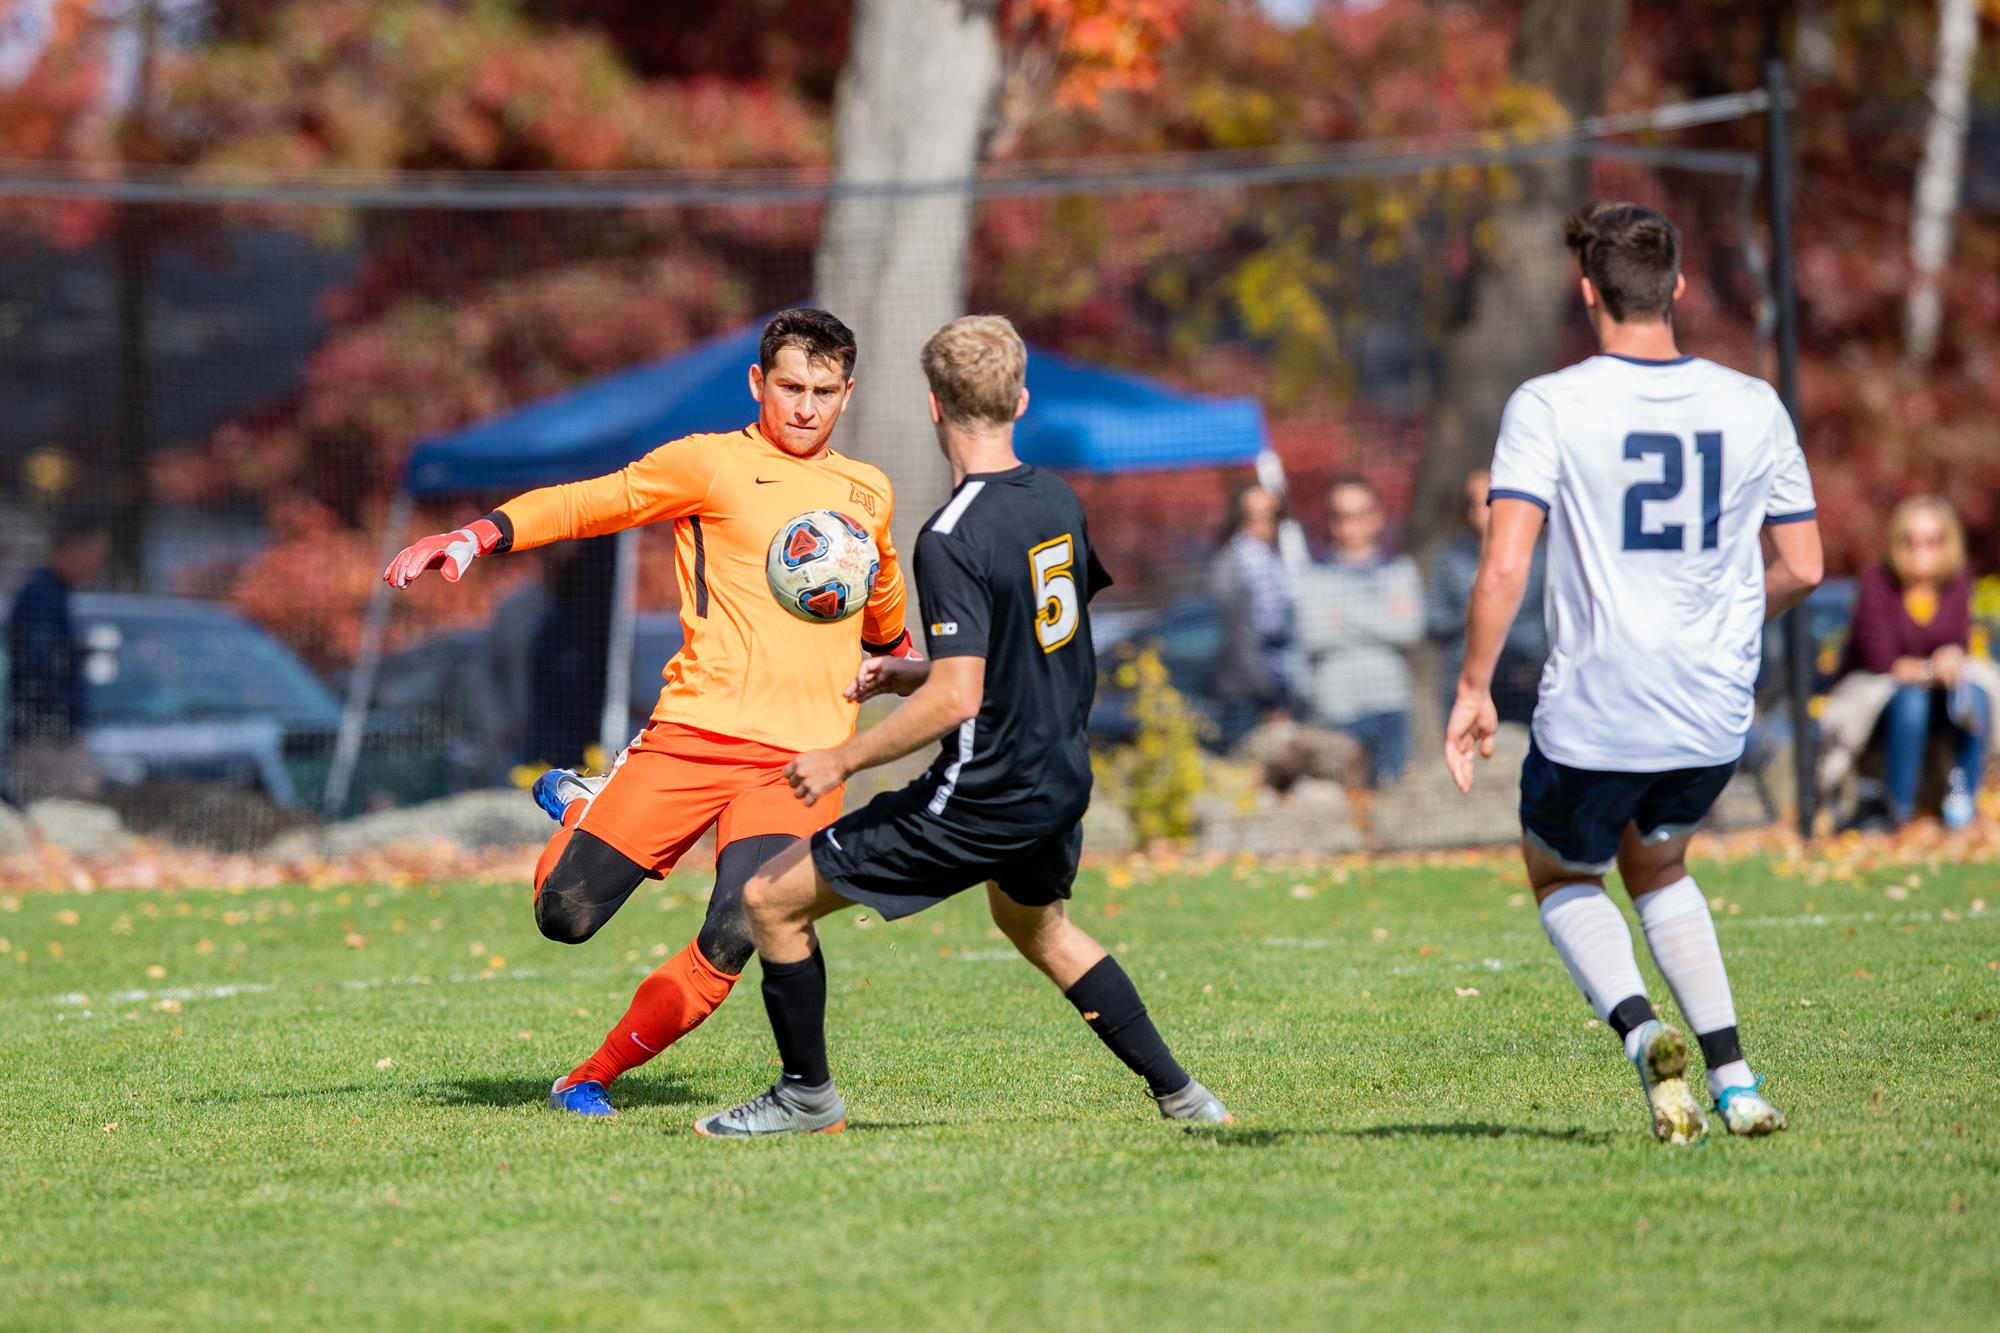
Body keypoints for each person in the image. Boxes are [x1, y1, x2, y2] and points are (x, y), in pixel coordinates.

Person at [690, 315, 1230, 1137]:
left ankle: (805, 1096)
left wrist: (842, 757)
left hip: (984, 792)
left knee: (769, 900)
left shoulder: (950, 536)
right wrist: (914, 668)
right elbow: (1047, 636)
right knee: (1037, 926)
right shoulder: (1053, 496)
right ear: (1021, 397)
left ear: (934, 407)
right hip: (1057, 774)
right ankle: (1186, 1096)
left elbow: (958, 701)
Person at [384, 308, 921, 1117]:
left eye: (822, 391)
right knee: (563, 916)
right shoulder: (708, 464)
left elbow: (884, 621)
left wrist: (912, 669)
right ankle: (581, 800)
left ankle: (589, 1076)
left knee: (738, 929)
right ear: (757, 383)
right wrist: (478, 534)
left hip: (800, 762)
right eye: (789, 387)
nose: (805, 407)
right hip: (695, 734)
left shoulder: (867, 492)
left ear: (848, 392)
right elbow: (592, 503)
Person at [1446, 202, 1823, 1144]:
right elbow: (1807, 565)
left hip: (1598, 706)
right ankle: (1736, 1080)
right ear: (1679, 289)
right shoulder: (1753, 404)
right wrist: (1731, 624)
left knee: (1560, 871)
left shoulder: (1550, 403)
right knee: (1658, 863)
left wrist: (1472, 688)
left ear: (1588, 293)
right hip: (1709, 709)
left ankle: (1645, 1030)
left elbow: (1504, 564)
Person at [1836, 497, 1989, 829]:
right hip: (1879, 698)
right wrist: (1934, 669)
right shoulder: (1877, 582)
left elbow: (1959, 644)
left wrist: (1949, 661)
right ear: (1897, 542)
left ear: (1947, 543)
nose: (1921, 548)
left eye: (1932, 540)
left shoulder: (1957, 582)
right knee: (1911, 701)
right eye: (1911, 539)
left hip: (1940, 695)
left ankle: (1963, 803)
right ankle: (1898, 811)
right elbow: (1882, 660)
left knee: (1974, 694)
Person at [1295, 477, 1421, 787]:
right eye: (1341, 516)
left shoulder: (1399, 570)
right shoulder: (1312, 577)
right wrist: (1380, 615)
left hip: (1390, 703)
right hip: (1336, 709)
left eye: (1361, 514)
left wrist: (1344, 614)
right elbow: (1314, 635)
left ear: (1377, 516)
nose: (1352, 525)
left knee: (1395, 800)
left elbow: (1409, 630)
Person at [1427, 467, 1547, 726]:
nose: (1488, 510)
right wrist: (1482, 605)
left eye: (1493, 501)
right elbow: (1435, 623)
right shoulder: (1451, 559)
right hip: (1467, 681)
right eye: (1479, 503)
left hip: (1525, 681)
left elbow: (1549, 617)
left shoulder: (1539, 556)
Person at [6, 514, 110, 805]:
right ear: (73, 549)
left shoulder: (51, 594)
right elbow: (40, 664)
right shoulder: (41, 596)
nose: (97, 565)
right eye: (95, 555)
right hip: (48, 740)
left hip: (49, 734)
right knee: (72, 815)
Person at [1208, 483, 1297, 749]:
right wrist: (1267, 693)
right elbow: (1237, 635)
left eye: (1270, 514)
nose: (1263, 523)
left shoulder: (1278, 561)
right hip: (1247, 690)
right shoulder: (1231, 563)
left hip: (1281, 678)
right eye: (1253, 516)